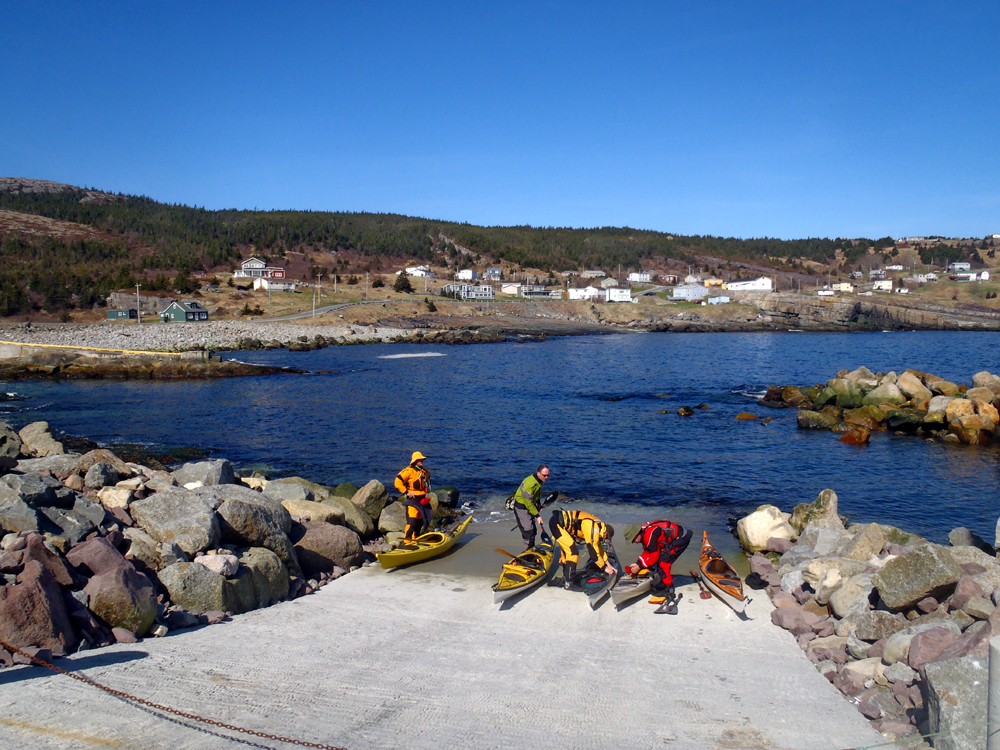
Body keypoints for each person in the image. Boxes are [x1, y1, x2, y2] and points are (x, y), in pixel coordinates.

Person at [623, 520, 692, 615]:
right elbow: (648, 552)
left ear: (637, 534)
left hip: (681, 538)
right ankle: (662, 583)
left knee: (663, 564)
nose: (634, 542)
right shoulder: (644, 534)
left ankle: (669, 592)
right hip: (673, 538)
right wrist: (637, 563)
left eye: (633, 540)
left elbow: (653, 557)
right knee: (658, 563)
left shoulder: (649, 535)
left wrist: (640, 566)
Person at [548, 509, 616, 589]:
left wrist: (608, 564)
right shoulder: (594, 529)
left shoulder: (598, 527)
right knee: (572, 552)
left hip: (561, 525)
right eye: (606, 537)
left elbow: (599, 549)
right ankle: (569, 582)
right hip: (557, 524)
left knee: (568, 552)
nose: (605, 540)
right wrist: (604, 568)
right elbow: (593, 554)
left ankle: (566, 578)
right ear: (605, 533)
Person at [394, 451, 432, 541]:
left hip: (422, 499)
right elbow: (397, 482)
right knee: (412, 521)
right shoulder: (408, 471)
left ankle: (416, 538)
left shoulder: (425, 471)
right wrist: (406, 492)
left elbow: (427, 479)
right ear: (414, 461)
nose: (421, 461)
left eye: (422, 460)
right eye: (419, 460)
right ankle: (407, 540)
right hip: (413, 500)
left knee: (420, 521)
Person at [511, 465, 550, 550]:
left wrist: (538, 504)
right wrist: (537, 516)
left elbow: (536, 494)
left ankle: (531, 549)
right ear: (538, 473)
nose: (546, 477)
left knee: (533, 530)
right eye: (544, 475)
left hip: (529, 505)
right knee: (528, 533)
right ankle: (526, 553)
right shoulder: (530, 485)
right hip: (522, 508)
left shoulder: (539, 479)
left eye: (548, 475)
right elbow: (528, 503)